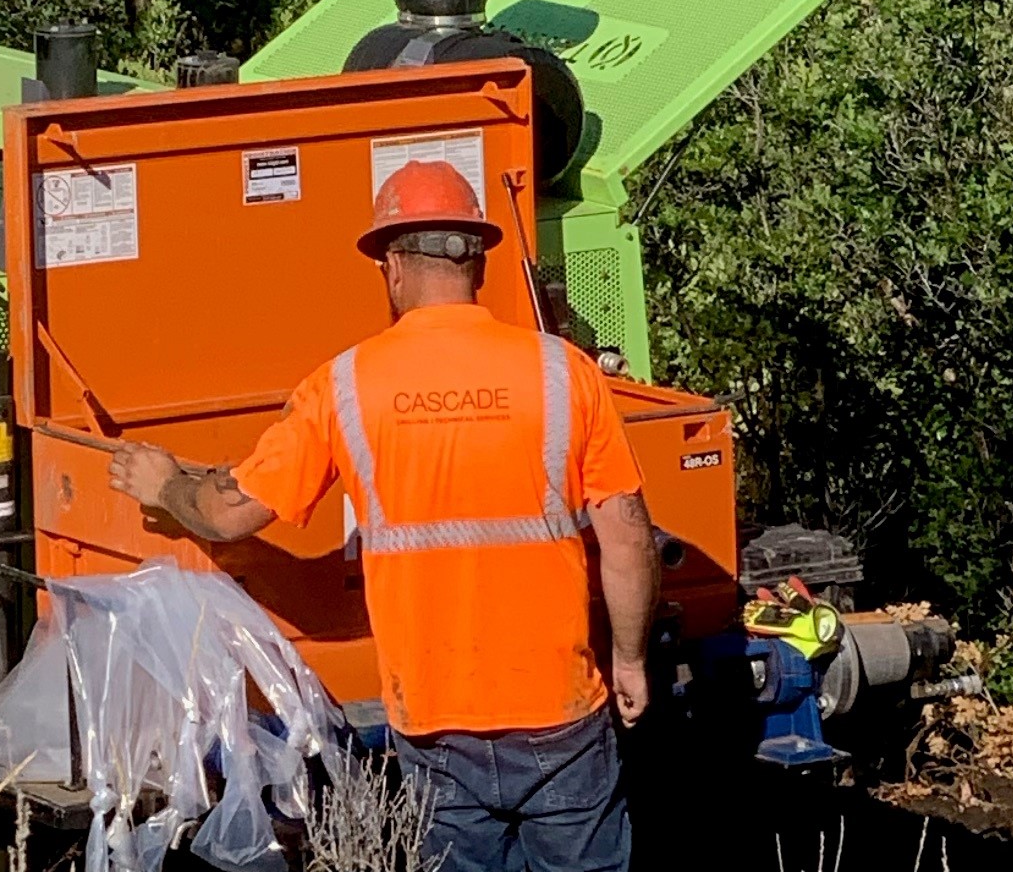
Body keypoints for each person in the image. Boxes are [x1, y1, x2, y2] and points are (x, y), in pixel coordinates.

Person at [108, 156, 659, 872]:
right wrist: (631, 659)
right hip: (559, 711)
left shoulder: (345, 386)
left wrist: (165, 487)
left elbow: (228, 514)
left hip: (431, 721)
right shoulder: (564, 374)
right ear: (479, 266)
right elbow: (629, 538)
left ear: (393, 267)